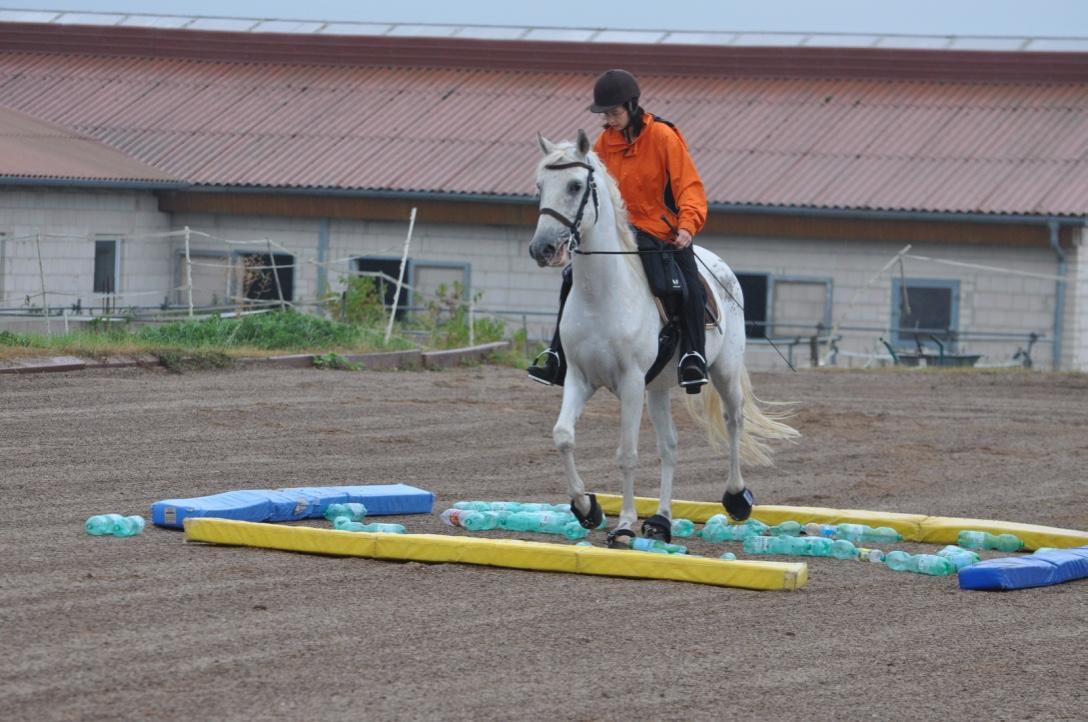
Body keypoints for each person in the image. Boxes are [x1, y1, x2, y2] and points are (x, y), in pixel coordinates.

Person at [528, 68, 709, 392]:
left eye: (614, 113)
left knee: (690, 287)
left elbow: (689, 187)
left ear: (632, 106)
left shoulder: (663, 137)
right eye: (605, 114)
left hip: (661, 231)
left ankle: (693, 356)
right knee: (571, 277)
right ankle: (557, 356)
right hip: (620, 231)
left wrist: (687, 225)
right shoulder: (604, 143)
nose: (609, 120)